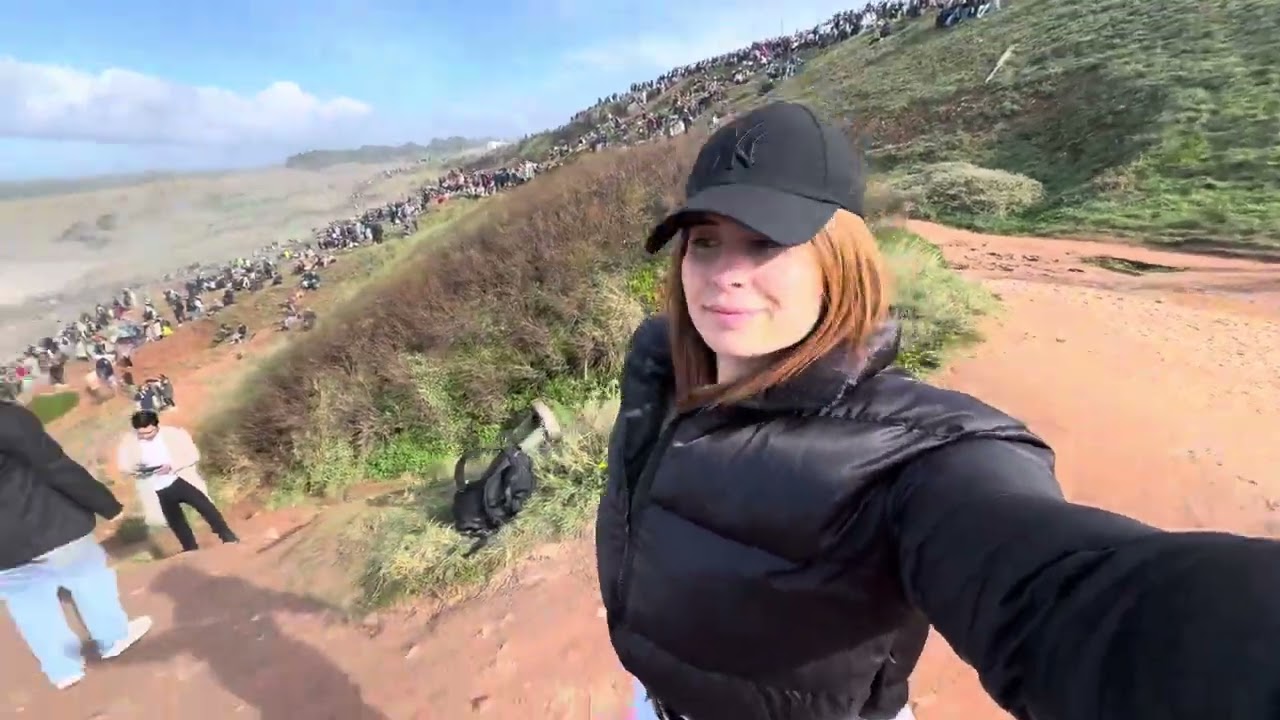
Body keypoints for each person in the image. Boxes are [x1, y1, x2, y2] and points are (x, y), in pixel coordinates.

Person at [595, 101, 1280, 720]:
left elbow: (1056, 587)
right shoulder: (659, 369)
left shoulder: (921, 456)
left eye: (766, 242)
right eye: (705, 241)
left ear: (842, 263)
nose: (723, 274)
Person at [0, 397, 153, 689]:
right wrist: (108, 506)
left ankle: (62, 669)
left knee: (28, 605)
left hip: (3, 550)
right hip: (48, 523)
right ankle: (112, 637)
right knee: (89, 579)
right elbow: (54, 466)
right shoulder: (6, 418)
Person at [115, 410, 238, 551]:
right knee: (175, 521)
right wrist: (138, 469)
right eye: (142, 434)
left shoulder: (174, 434)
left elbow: (193, 454)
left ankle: (226, 535)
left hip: (180, 477)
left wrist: (172, 466)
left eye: (150, 432)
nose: (146, 436)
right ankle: (190, 548)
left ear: (156, 426)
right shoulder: (129, 443)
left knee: (205, 506)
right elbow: (124, 467)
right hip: (156, 486)